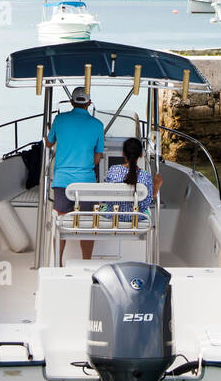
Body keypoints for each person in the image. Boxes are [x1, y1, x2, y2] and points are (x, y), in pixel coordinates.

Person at [46, 85, 105, 260]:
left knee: (61, 224)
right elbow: (97, 158)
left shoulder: (60, 119)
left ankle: (59, 262)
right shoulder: (97, 125)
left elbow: (49, 143)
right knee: (87, 224)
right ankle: (86, 261)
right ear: (89, 103)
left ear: (72, 102)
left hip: (62, 182)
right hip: (86, 182)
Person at [103, 136, 162, 215]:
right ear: (141, 155)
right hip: (137, 219)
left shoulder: (113, 171)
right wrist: (155, 189)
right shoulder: (146, 176)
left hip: (114, 217)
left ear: (123, 153)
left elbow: (107, 196)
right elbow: (146, 204)